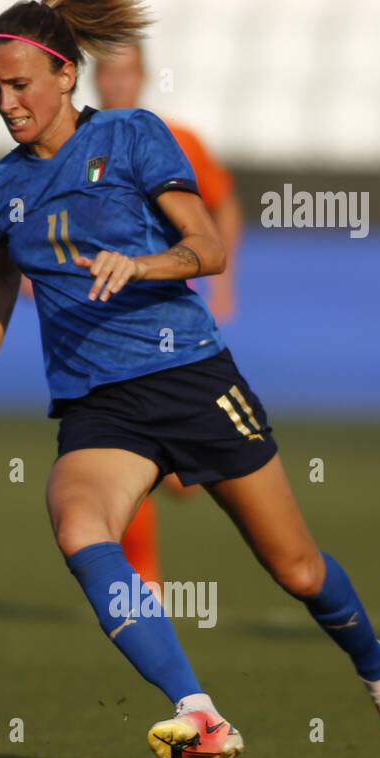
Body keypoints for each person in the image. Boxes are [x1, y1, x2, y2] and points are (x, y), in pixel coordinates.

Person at [0, 0, 380, 758]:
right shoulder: (0, 184)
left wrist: (144, 266)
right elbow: (2, 271)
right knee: (77, 523)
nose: (6, 103)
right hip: (97, 401)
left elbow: (209, 246)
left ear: (66, 72)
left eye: (19, 84)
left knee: (297, 568)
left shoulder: (131, 136)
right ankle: (199, 712)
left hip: (191, 376)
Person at [94, 41, 247, 591]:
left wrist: (223, 282)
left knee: (177, 474)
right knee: (114, 450)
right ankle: (145, 583)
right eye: (106, 72)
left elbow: (223, 204)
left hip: (166, 320)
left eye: (125, 72)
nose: (115, 82)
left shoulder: (177, 141)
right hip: (101, 327)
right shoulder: (70, 145)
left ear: (143, 77)